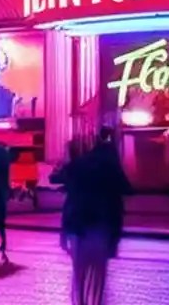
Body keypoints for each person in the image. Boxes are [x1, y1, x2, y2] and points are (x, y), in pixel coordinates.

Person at [52, 128, 131, 305]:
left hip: (77, 224)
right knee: (98, 275)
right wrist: (115, 239)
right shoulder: (111, 166)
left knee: (78, 274)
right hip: (101, 224)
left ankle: (78, 302)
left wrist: (63, 233)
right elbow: (126, 191)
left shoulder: (80, 163)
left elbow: (64, 188)